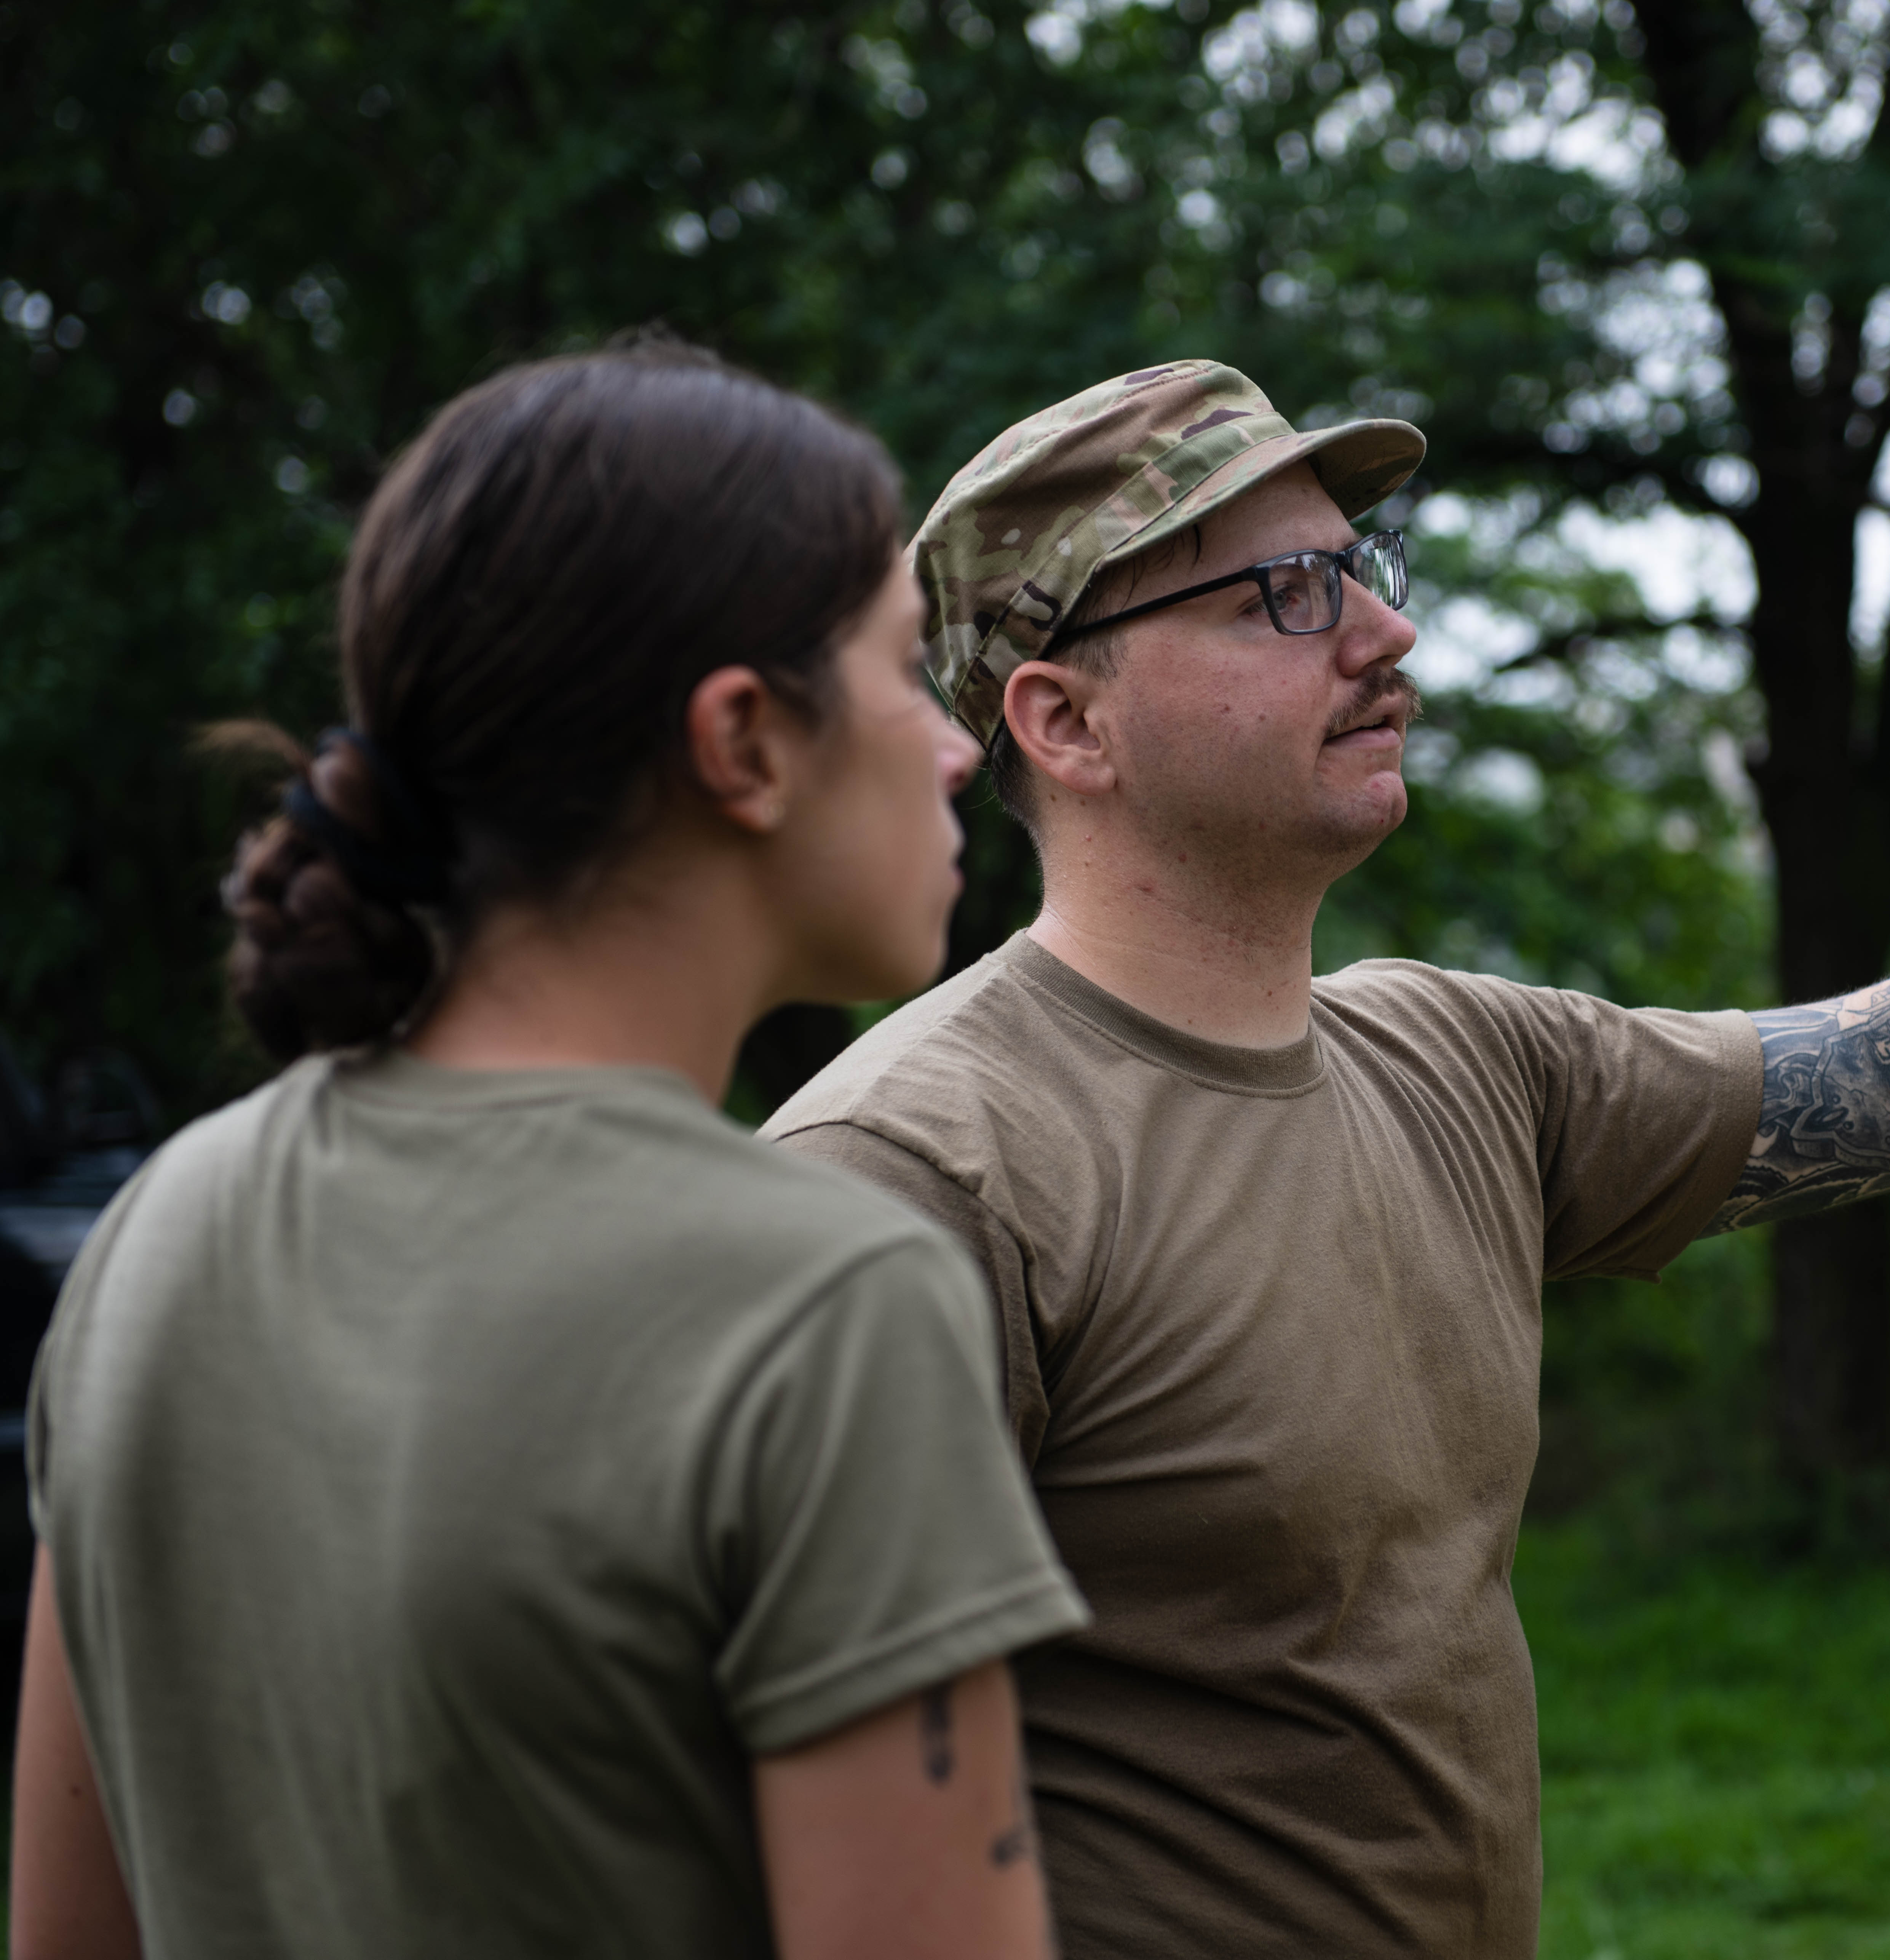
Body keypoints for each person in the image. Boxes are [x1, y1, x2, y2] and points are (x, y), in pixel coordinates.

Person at [763, 359, 1890, 1957]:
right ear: (1066, 725)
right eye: (1281, 596)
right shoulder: (924, 1171)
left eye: (1361, 564)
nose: (1385, 635)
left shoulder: (1450, 1062)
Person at [9, 343, 1087, 1960]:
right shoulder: (819, 1302)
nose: (951, 744)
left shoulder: (157, 1230)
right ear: (742, 743)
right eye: (893, 664)